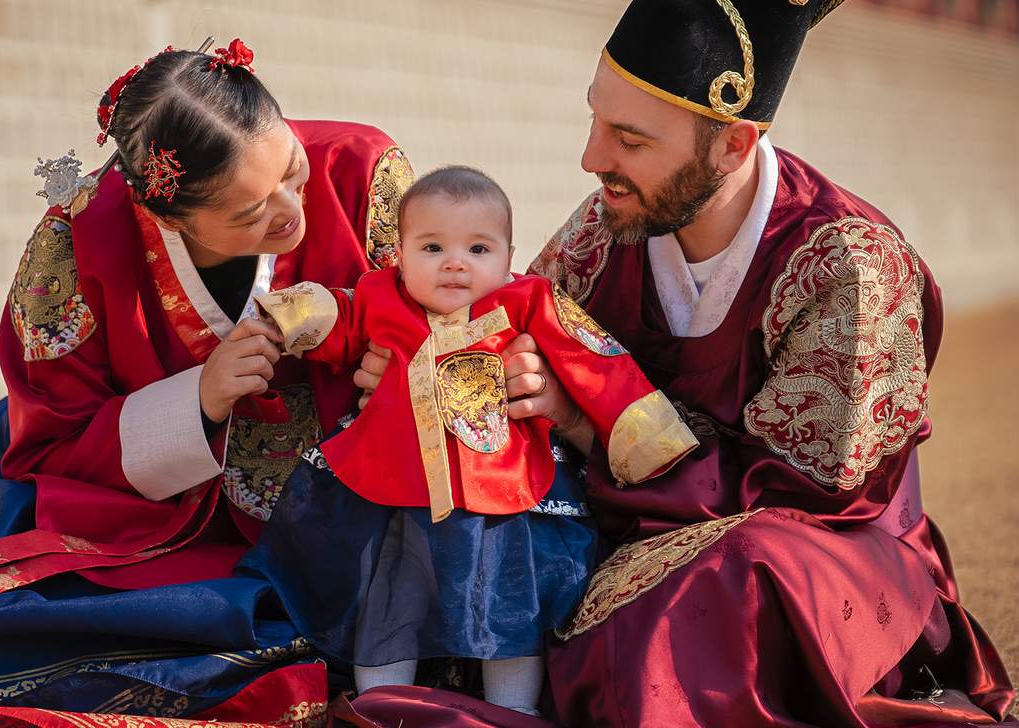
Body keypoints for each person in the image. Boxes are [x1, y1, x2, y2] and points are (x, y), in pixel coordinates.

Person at [349, 2, 1019, 726]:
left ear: (732, 146)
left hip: (811, 558)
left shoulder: (849, 264)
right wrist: (424, 368)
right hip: (634, 519)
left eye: (627, 139)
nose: (590, 158)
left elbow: (810, 496)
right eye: (594, 120)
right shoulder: (609, 221)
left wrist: (581, 423)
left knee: (729, 576)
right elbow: (509, 337)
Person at [0, 38, 430, 722]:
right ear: (165, 217)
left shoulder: (366, 172)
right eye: (248, 213)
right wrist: (198, 399)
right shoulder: (75, 245)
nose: (290, 211)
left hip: (358, 487)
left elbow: (466, 310)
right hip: (155, 509)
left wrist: (401, 363)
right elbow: (54, 442)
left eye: (290, 168)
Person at [238, 166, 697, 715]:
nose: (455, 263)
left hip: (503, 494)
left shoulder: (528, 302)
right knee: (389, 602)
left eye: (479, 248)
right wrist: (286, 320)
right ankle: (381, 707)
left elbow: (592, 359)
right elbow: (336, 317)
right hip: (392, 494)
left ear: (508, 259)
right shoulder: (380, 299)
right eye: (432, 246)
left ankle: (514, 713)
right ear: (400, 257)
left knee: (509, 608)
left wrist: (644, 432)